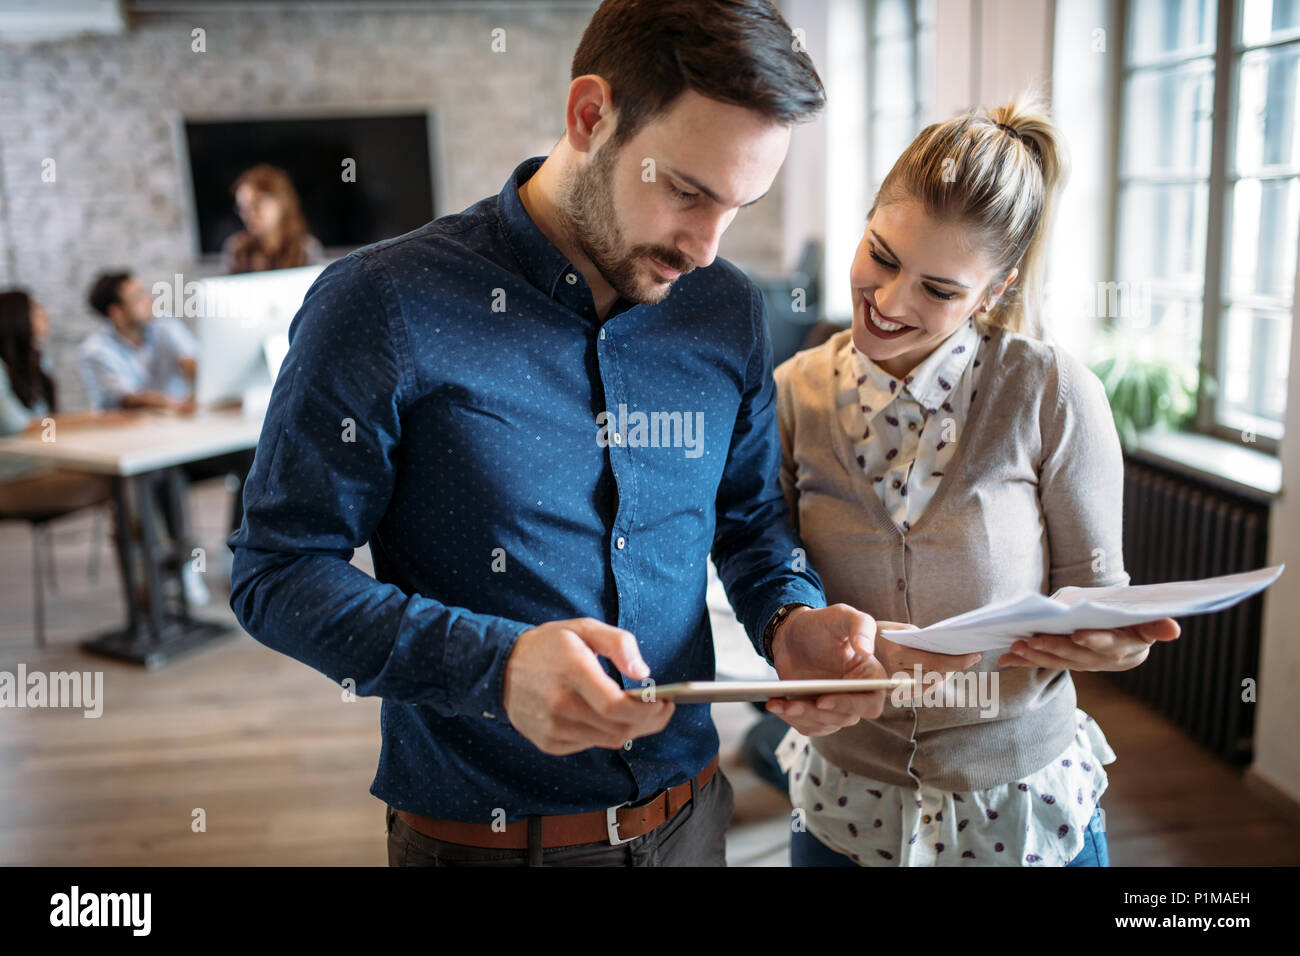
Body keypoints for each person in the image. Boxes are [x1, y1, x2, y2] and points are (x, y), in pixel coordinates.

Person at [229, 0, 896, 868]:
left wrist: (790, 618)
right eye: (688, 192)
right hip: (486, 846)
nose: (705, 245)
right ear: (590, 115)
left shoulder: (725, 308)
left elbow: (748, 524)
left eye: (739, 205)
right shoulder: (380, 304)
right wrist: (496, 668)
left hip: (693, 825)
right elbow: (276, 573)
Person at [771, 91, 1181, 868]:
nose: (889, 303)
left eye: (940, 289)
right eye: (882, 257)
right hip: (843, 805)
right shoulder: (795, 391)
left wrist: (1112, 648)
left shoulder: (1051, 391)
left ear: (993, 292)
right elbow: (773, 578)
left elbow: (1101, 611)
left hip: (1015, 807)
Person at [78, 271, 254, 600]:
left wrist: (210, 373)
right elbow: (128, 397)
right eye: (139, 298)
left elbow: (193, 364)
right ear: (116, 312)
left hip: (186, 444)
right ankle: (184, 562)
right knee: (163, 472)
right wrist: (175, 403)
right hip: (136, 454)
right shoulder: (95, 350)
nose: (151, 301)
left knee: (253, 454)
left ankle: (237, 548)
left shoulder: (165, 327)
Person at [0, 290, 121, 538]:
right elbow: (18, 425)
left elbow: (44, 427)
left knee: (139, 475)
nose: (45, 314)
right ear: (15, 318)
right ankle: (153, 567)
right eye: (36, 309)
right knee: (127, 482)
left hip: (43, 465)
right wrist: (92, 420)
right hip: (11, 480)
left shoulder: (35, 363)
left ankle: (162, 563)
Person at [223, 164, 325, 274]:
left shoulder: (306, 250)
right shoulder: (237, 251)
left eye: (256, 205)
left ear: (281, 202)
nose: (248, 215)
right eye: (242, 208)